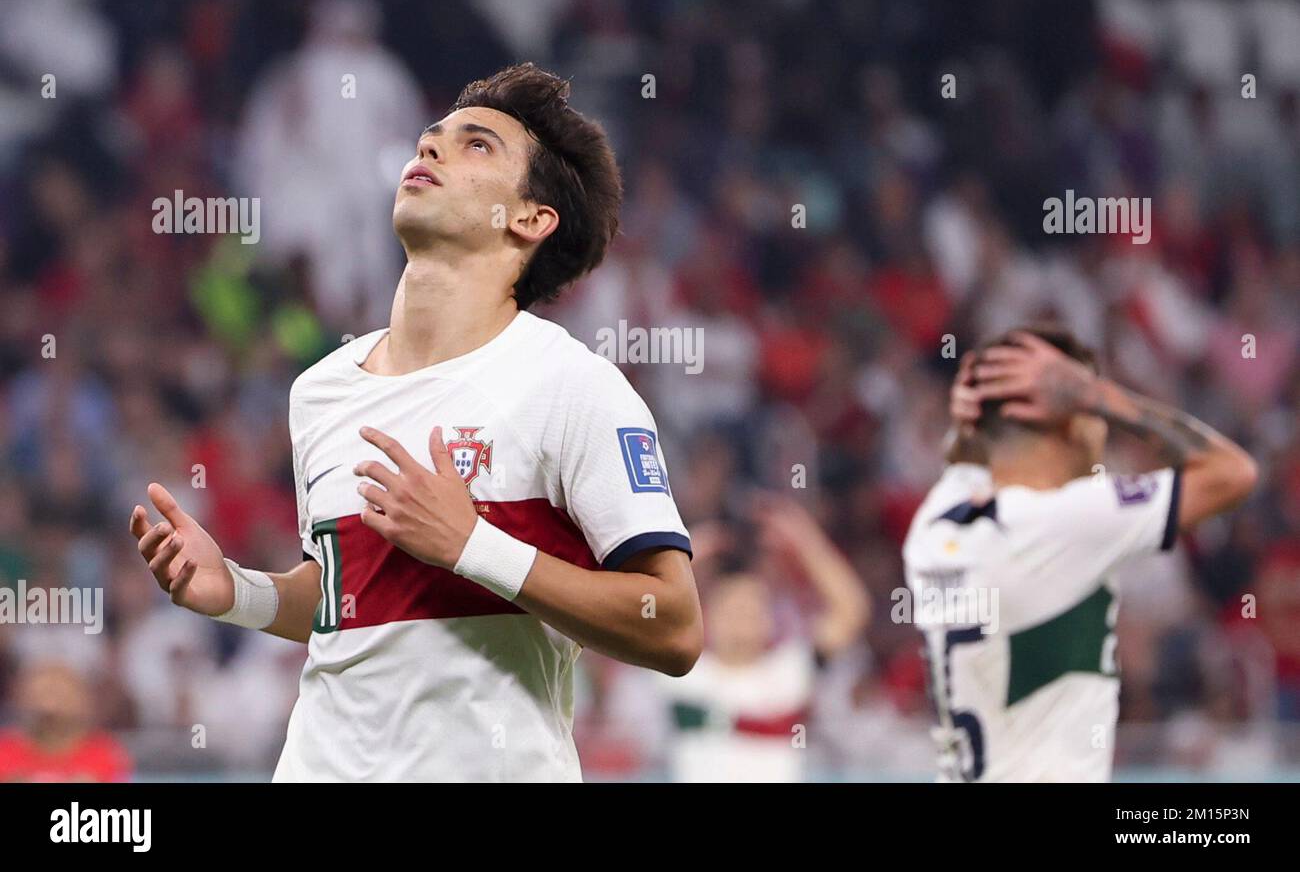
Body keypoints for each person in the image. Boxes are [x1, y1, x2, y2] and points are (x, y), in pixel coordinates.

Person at [128, 63, 702, 782]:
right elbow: (355, 601)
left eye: (477, 146)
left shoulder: (573, 387)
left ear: (529, 218)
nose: (428, 150)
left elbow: (674, 626)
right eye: (429, 139)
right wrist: (239, 592)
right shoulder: (321, 392)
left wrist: (474, 546)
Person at [903, 326, 1257, 782]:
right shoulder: (1065, 523)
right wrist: (1101, 394)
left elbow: (969, 460)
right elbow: (1234, 473)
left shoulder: (935, 522)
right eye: (1090, 411)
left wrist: (973, 422)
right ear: (1069, 419)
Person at [658, 496, 869, 782]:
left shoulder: (789, 672)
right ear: (708, 615)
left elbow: (852, 610)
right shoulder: (681, 673)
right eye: (732, 608)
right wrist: (687, 553)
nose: (741, 620)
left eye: (751, 610)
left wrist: (805, 540)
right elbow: (643, 613)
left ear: (769, 619)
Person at [0, 661, 132, 782]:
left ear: (82, 701)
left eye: (60, 695)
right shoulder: (4, 749)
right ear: (21, 700)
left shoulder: (106, 751)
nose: (50, 707)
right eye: (42, 694)